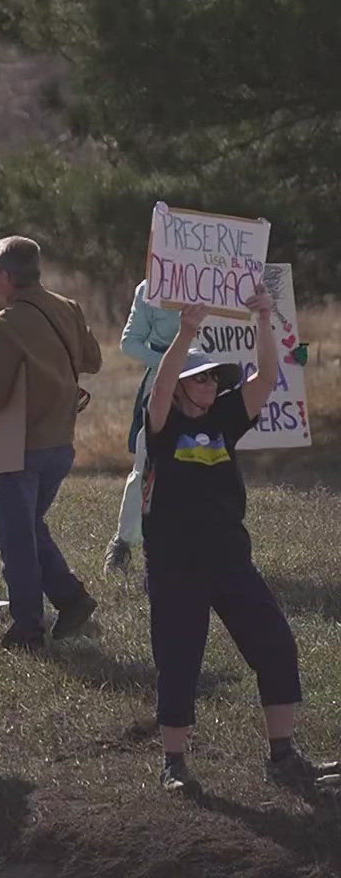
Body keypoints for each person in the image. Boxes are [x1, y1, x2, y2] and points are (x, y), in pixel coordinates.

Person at [141, 294, 340, 797]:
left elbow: (268, 378)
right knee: (180, 656)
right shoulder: (165, 426)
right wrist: (186, 333)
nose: (211, 384)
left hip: (230, 558)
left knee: (275, 644)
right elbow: (159, 390)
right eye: (201, 377)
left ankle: (283, 755)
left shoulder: (225, 419)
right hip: (175, 563)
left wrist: (265, 317)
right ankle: (174, 763)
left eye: (213, 377)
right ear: (185, 385)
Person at [0, 236, 103, 651]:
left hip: (19, 448)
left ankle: (28, 628)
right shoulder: (68, 308)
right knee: (29, 528)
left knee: (17, 541)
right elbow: (93, 361)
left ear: (6, 277)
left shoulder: (1, 326)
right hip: (61, 444)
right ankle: (72, 599)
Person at [106, 280, 181, 573]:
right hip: (162, 383)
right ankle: (123, 543)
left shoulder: (226, 284)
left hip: (214, 383)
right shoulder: (150, 288)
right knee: (145, 463)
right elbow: (130, 342)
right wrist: (172, 363)